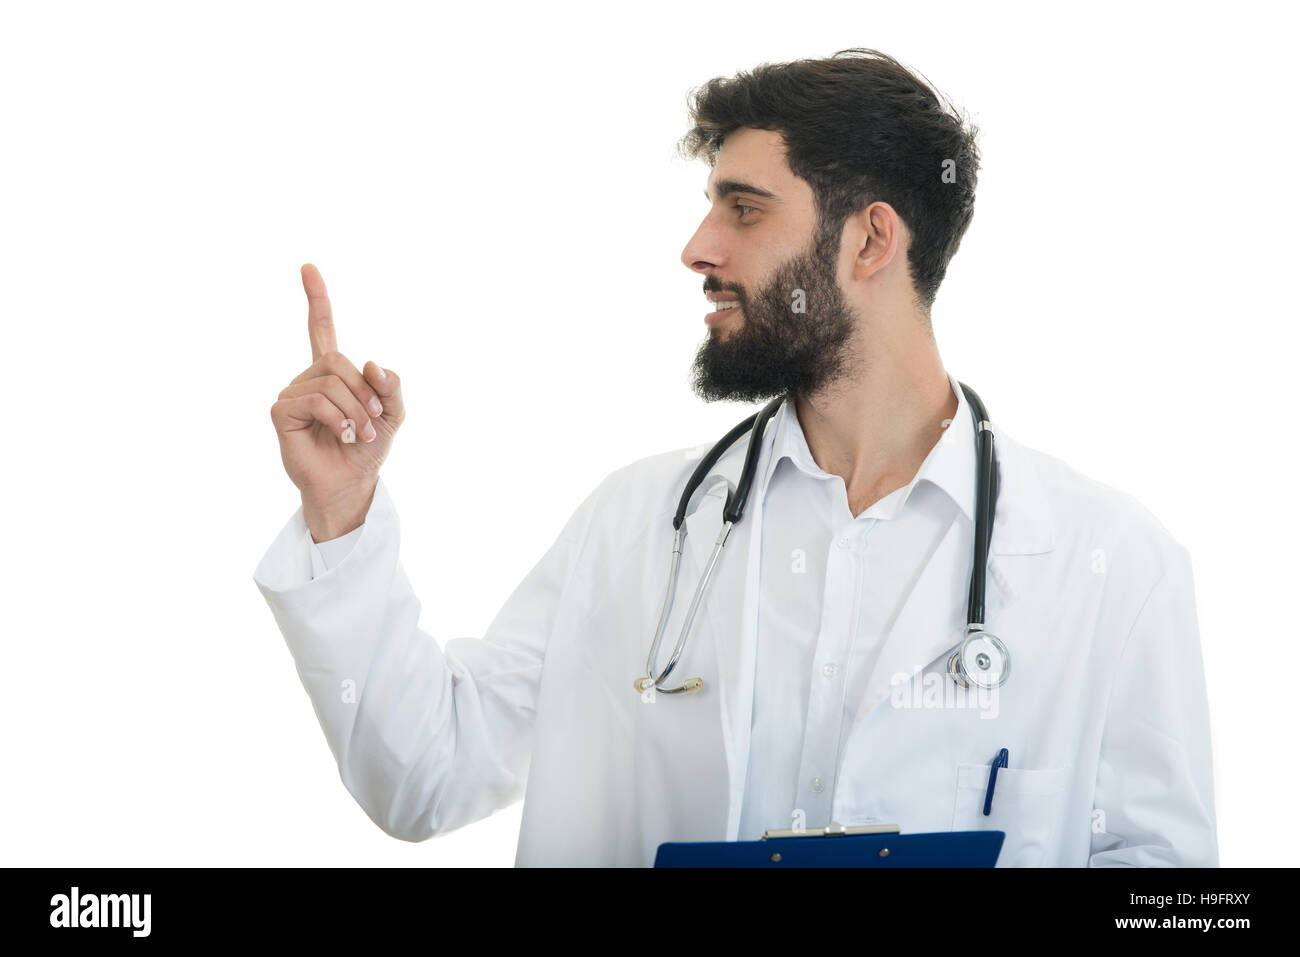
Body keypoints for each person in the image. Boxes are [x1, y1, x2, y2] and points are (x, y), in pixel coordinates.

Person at [254, 48, 1217, 866]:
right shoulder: (638, 526)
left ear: (871, 239)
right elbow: (427, 772)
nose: (697, 247)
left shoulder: (1113, 566)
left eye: (744, 209)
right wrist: (342, 512)